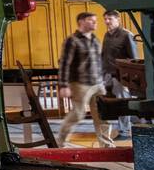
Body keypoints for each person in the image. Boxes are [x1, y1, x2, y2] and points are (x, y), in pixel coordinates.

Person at [57, 11, 113, 148]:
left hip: (98, 83)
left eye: (95, 20)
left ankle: (106, 145)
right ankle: (60, 142)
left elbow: (99, 62)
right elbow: (65, 63)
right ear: (81, 22)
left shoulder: (95, 39)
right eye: (91, 20)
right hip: (80, 84)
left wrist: (104, 79)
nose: (95, 22)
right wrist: (63, 85)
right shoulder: (72, 40)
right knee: (78, 114)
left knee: (103, 115)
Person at [101, 10, 138, 141]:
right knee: (109, 103)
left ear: (118, 19)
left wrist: (129, 79)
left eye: (109, 19)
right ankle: (124, 126)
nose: (106, 22)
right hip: (107, 75)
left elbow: (134, 59)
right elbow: (103, 55)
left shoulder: (127, 35)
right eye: (105, 19)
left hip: (121, 76)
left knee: (123, 102)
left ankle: (124, 131)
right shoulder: (107, 35)